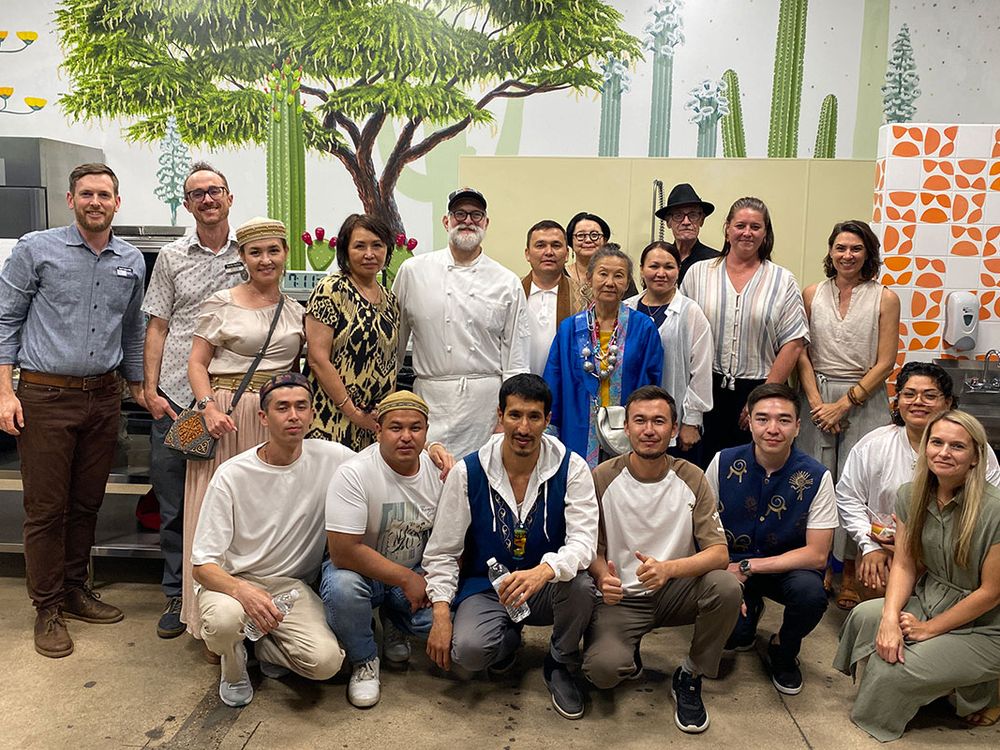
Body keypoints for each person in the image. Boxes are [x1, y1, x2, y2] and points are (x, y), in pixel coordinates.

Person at [0, 163, 145, 658]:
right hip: (44, 395)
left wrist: (138, 388)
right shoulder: (35, 249)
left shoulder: (130, 259)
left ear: (117, 202)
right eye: (86, 194)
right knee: (46, 509)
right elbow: (5, 320)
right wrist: (4, 391)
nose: (95, 202)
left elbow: (132, 333)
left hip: (104, 398)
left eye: (104, 194)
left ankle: (75, 590)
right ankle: (47, 608)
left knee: (87, 503)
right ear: (71, 200)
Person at [422, 374, 599, 720]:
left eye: (534, 416)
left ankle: (560, 662)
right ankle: (508, 642)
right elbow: (442, 551)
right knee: (468, 654)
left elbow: (583, 543)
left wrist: (544, 571)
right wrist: (441, 613)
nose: (524, 427)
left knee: (581, 585)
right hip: (488, 587)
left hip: (546, 587)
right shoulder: (468, 471)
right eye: (515, 415)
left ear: (548, 421)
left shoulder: (572, 468)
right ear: (499, 415)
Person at [583, 386, 741, 734]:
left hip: (676, 591)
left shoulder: (691, 476)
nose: (649, 430)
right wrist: (600, 576)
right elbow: (590, 547)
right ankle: (629, 648)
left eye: (659, 421)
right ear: (625, 427)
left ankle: (691, 673)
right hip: (622, 598)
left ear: (673, 430)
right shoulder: (602, 477)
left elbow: (719, 553)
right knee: (602, 673)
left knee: (727, 587)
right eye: (639, 421)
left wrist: (668, 569)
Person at [834, 410, 1000, 741]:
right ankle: (946, 683)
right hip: (932, 595)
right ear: (925, 448)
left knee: (893, 670)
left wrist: (928, 630)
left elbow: (991, 593)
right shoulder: (911, 494)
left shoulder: (995, 509)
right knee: (866, 616)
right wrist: (890, 619)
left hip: (987, 623)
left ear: (975, 457)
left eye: (957, 446)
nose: (944, 452)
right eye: (936, 443)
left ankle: (985, 688)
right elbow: (905, 564)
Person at [191, 373, 351, 707]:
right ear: (264, 417)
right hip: (232, 583)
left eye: (301, 406)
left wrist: (434, 450)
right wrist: (243, 592)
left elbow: (386, 460)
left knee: (326, 663)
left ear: (311, 414)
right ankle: (233, 664)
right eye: (282, 407)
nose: (293, 415)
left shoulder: (332, 458)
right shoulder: (233, 475)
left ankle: (263, 647)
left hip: (289, 587)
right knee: (223, 622)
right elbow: (202, 566)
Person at [181, 217, 305, 640]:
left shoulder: (295, 311)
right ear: (242, 256)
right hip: (227, 415)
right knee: (213, 515)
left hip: (272, 416)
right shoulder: (221, 302)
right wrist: (206, 408)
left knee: (263, 515)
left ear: (286, 254)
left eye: (273, 250)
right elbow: (197, 363)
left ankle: (263, 617)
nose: (265, 259)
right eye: (256, 252)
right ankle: (211, 621)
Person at [142, 161, 242, 639]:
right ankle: (178, 593)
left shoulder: (250, 253)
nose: (207, 199)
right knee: (177, 504)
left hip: (234, 402)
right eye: (198, 193)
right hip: (180, 404)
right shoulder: (171, 257)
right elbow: (157, 325)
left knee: (233, 500)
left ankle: (229, 590)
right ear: (187, 204)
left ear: (229, 198)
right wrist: (150, 390)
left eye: (215, 191)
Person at [320, 391, 450, 708]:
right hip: (362, 573)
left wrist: (432, 586)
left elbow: (450, 541)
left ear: (427, 430)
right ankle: (364, 659)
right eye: (395, 428)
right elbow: (343, 552)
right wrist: (406, 579)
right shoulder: (355, 473)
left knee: (455, 633)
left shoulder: (440, 473)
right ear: (377, 430)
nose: (406, 437)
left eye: (416, 428)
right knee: (342, 588)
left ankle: (395, 623)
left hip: (415, 573)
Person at [706, 383, 837, 695]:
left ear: (797, 427)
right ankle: (747, 618)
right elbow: (702, 527)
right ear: (749, 421)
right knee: (734, 638)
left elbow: (818, 555)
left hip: (788, 568)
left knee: (811, 594)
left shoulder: (818, 476)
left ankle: (784, 648)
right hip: (730, 564)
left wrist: (749, 567)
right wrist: (721, 571)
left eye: (784, 420)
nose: (772, 429)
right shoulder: (722, 462)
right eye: (762, 419)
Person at [797, 220, 900, 610]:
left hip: (865, 395)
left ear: (868, 253)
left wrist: (846, 403)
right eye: (841, 248)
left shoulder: (884, 298)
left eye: (856, 249)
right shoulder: (811, 293)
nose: (847, 255)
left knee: (862, 484)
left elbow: (886, 361)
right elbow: (801, 351)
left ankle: (854, 571)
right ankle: (819, 563)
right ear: (830, 251)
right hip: (816, 396)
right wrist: (817, 403)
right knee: (817, 479)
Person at [836, 361, 1000, 601]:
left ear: (948, 402)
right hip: (887, 546)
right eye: (909, 394)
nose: (918, 402)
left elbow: (991, 506)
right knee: (877, 583)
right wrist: (869, 545)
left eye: (929, 395)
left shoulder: (975, 448)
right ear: (898, 400)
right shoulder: (874, 445)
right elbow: (848, 497)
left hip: (954, 550)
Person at [394, 187, 530, 458]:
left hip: (484, 407)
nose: (468, 220)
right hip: (429, 400)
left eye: (476, 215)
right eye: (460, 214)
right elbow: (394, 344)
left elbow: (516, 360)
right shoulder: (413, 272)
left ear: (486, 223)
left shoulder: (506, 281)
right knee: (427, 480)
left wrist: (507, 420)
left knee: (475, 485)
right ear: (446, 221)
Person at [682, 196, 808, 467]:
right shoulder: (697, 274)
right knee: (705, 471)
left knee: (754, 471)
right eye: (740, 225)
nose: (747, 233)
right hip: (706, 389)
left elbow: (794, 342)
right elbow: (683, 333)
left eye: (755, 227)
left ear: (765, 233)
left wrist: (761, 398)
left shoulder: (782, 280)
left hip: (761, 387)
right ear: (727, 229)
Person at [544, 244, 663, 468]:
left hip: (627, 430)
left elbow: (652, 384)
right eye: (603, 274)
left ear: (627, 283)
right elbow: (554, 381)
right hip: (578, 427)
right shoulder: (570, 329)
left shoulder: (643, 328)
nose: (610, 282)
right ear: (589, 278)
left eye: (619, 276)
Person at [305, 213, 398, 450]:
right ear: (345, 251)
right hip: (331, 418)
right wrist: (353, 412)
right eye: (360, 246)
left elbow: (389, 362)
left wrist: (383, 416)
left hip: (375, 423)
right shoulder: (331, 289)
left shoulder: (390, 299)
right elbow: (317, 359)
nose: (369, 254)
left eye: (377, 245)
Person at [625, 241, 713, 466]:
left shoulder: (690, 312)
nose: (661, 273)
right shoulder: (626, 309)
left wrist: (691, 422)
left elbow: (701, 371)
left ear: (678, 270)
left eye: (669, 267)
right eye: (654, 266)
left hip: (677, 423)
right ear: (642, 270)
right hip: (632, 421)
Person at [520, 220, 586, 375]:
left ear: (567, 254)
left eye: (556, 245)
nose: (548, 252)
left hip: (565, 386)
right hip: (518, 387)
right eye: (540, 245)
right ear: (527, 254)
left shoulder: (585, 297)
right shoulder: (511, 290)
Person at [653, 183, 720, 283]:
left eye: (692, 215)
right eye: (678, 215)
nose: (686, 222)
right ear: (668, 222)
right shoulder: (660, 260)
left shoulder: (715, 261)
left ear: (701, 221)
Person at [565, 211, 637, 300]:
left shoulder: (619, 274)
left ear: (605, 240)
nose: (588, 240)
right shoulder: (560, 275)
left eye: (594, 235)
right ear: (571, 241)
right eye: (580, 235)